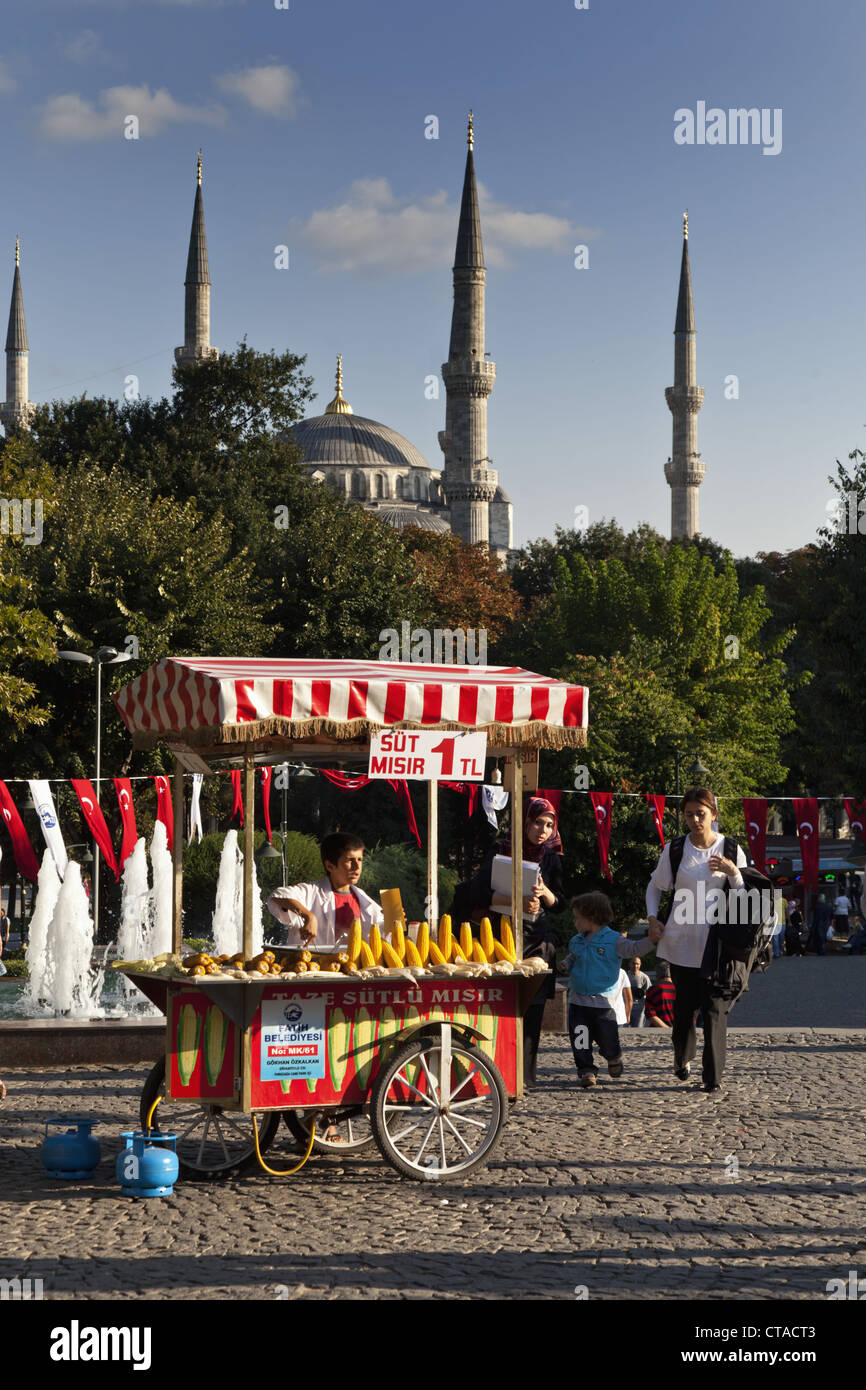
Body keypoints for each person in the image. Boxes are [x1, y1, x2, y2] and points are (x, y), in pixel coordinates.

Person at [455, 796, 566, 1088]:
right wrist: (516, 901)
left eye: (549, 825)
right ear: (525, 823)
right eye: (538, 823)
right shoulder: (500, 851)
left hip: (538, 939)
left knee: (534, 1009)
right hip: (500, 936)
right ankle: (496, 1073)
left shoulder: (552, 858)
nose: (543, 830)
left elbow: (560, 902)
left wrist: (544, 893)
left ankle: (525, 1078)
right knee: (500, 1006)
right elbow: (476, 893)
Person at [646, 786, 748, 1093]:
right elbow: (655, 887)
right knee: (684, 1008)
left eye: (700, 814)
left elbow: (747, 898)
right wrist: (653, 919)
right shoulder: (675, 850)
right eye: (689, 814)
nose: (695, 820)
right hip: (681, 943)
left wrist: (734, 873)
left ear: (714, 814)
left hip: (718, 945)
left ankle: (712, 1077)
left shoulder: (731, 849)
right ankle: (682, 1057)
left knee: (715, 1010)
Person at [559, 891, 659, 1088]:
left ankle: (613, 1057)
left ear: (592, 917)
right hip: (578, 1001)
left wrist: (652, 940)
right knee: (580, 1038)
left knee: (607, 1036)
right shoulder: (577, 940)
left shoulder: (614, 940)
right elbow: (573, 956)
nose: (574, 922)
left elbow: (635, 949)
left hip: (603, 1002)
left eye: (577, 917)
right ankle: (586, 1070)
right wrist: (565, 963)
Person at [266, 832, 383, 948]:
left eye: (359, 859)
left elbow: (383, 931)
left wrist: (395, 920)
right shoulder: (311, 892)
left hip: (352, 966)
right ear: (329, 866)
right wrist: (308, 916)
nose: (356, 867)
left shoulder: (363, 900)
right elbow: (278, 895)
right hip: (312, 964)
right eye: (349, 860)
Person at [644, 962, 676, 1028]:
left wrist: (667, 1029)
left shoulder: (653, 990)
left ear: (657, 975)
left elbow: (650, 1015)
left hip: (658, 1031)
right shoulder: (681, 990)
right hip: (679, 1032)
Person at [625, 955, 652, 1027]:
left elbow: (650, 992)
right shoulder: (625, 976)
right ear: (629, 964)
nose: (635, 966)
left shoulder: (644, 977)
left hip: (640, 1009)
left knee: (638, 1029)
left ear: (640, 965)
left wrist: (641, 993)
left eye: (637, 964)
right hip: (627, 1008)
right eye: (633, 963)